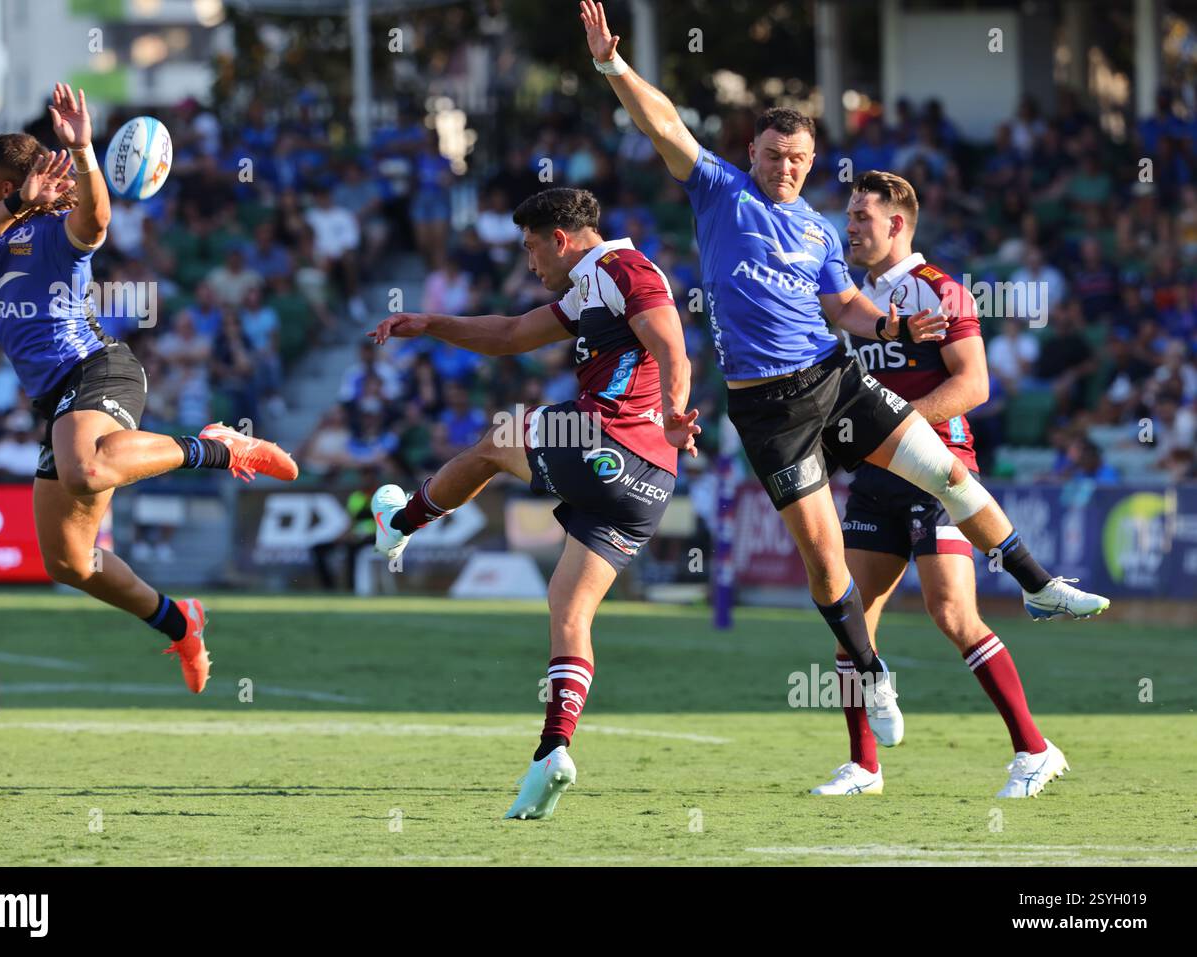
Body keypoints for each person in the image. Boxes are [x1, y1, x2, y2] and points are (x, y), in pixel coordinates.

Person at [579, 0, 1108, 750]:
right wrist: (612, 65)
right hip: (767, 411)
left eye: (797, 159)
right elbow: (664, 123)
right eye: (772, 155)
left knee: (950, 476)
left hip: (835, 379)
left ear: (813, 160)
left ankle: (1038, 585)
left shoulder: (819, 229)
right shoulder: (720, 191)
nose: (784, 168)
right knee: (828, 567)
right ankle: (872, 668)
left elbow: (847, 307)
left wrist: (891, 325)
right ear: (752, 153)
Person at [0, 83, 298, 694]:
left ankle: (217, 447)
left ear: (0, 183)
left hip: (97, 369)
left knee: (84, 469)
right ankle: (178, 621)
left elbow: (98, 220)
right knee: (70, 563)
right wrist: (12, 207)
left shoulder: (56, 230)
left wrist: (82, 152)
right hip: (53, 399)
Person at [366, 187, 699, 819]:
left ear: (560, 240)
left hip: (606, 442)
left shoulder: (623, 269)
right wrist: (431, 323)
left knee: (496, 440)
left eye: (530, 248)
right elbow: (514, 333)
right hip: (650, 483)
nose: (529, 262)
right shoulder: (591, 286)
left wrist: (678, 407)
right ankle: (552, 753)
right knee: (569, 609)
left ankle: (399, 522)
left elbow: (672, 348)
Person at [816, 171, 1068, 799]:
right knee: (850, 619)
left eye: (861, 218)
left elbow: (974, 385)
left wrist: (893, 428)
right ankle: (865, 766)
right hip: (876, 477)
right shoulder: (857, 300)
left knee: (952, 613)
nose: (849, 227)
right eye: (848, 216)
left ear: (897, 224)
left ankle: (1035, 751)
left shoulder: (941, 291)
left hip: (938, 473)